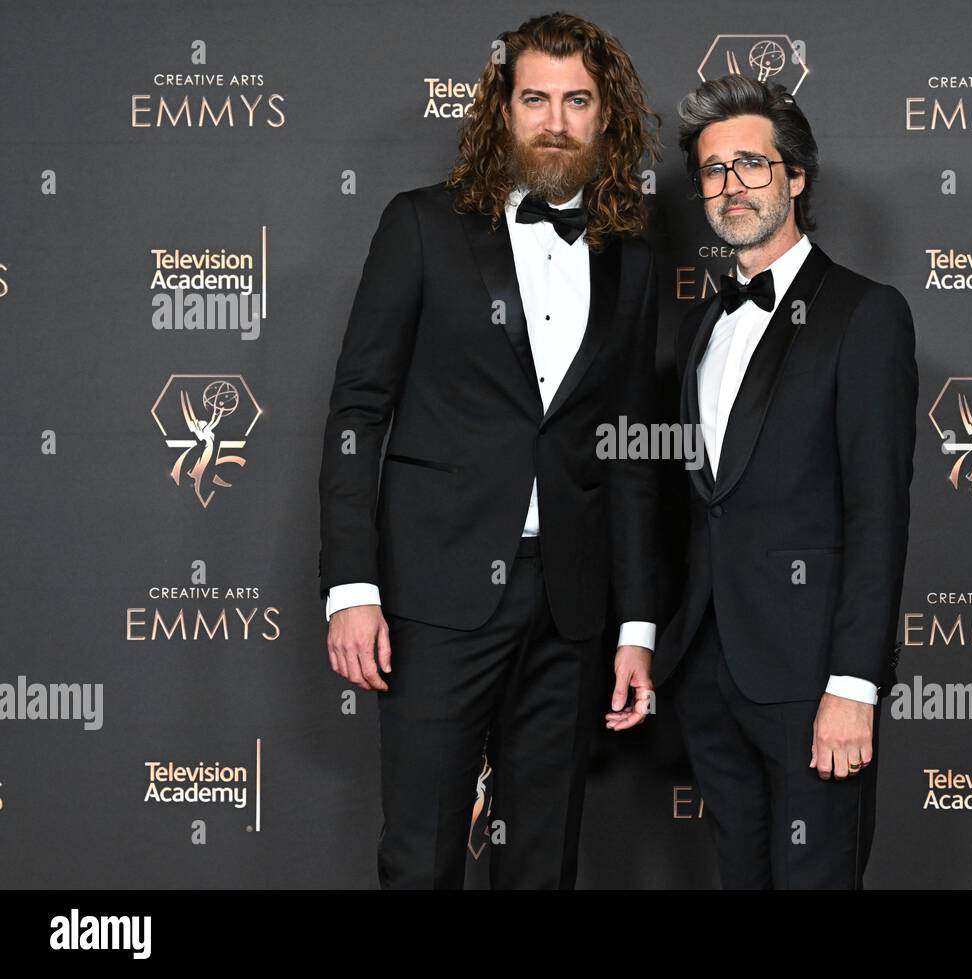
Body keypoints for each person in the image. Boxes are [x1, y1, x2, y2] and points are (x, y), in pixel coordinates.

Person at [318, 12, 661, 889]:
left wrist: (635, 624)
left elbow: (625, 454)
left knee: (541, 860)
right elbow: (360, 408)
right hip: (434, 595)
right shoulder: (422, 226)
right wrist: (352, 587)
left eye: (577, 101)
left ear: (605, 117)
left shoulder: (633, 260)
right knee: (421, 851)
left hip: (573, 605)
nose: (555, 120)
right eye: (536, 98)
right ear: (502, 110)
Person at [651, 74, 916, 889]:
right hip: (709, 670)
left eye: (753, 165)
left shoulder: (864, 314)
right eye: (714, 171)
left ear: (795, 176)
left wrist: (853, 685)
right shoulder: (704, 324)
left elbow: (878, 514)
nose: (732, 186)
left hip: (812, 685)